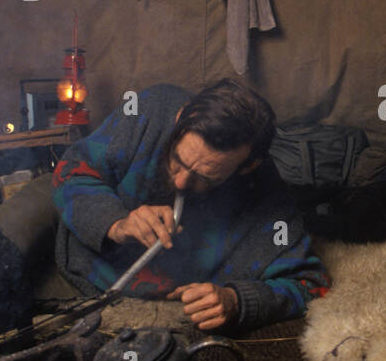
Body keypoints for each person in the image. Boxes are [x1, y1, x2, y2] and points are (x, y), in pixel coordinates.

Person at [50, 80, 328, 333]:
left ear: (248, 166)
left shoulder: (267, 192)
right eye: (178, 159)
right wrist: (115, 222)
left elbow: (309, 284)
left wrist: (238, 301)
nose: (181, 182)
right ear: (180, 118)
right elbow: (70, 170)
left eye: (205, 177)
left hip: (168, 317)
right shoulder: (150, 109)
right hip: (79, 277)